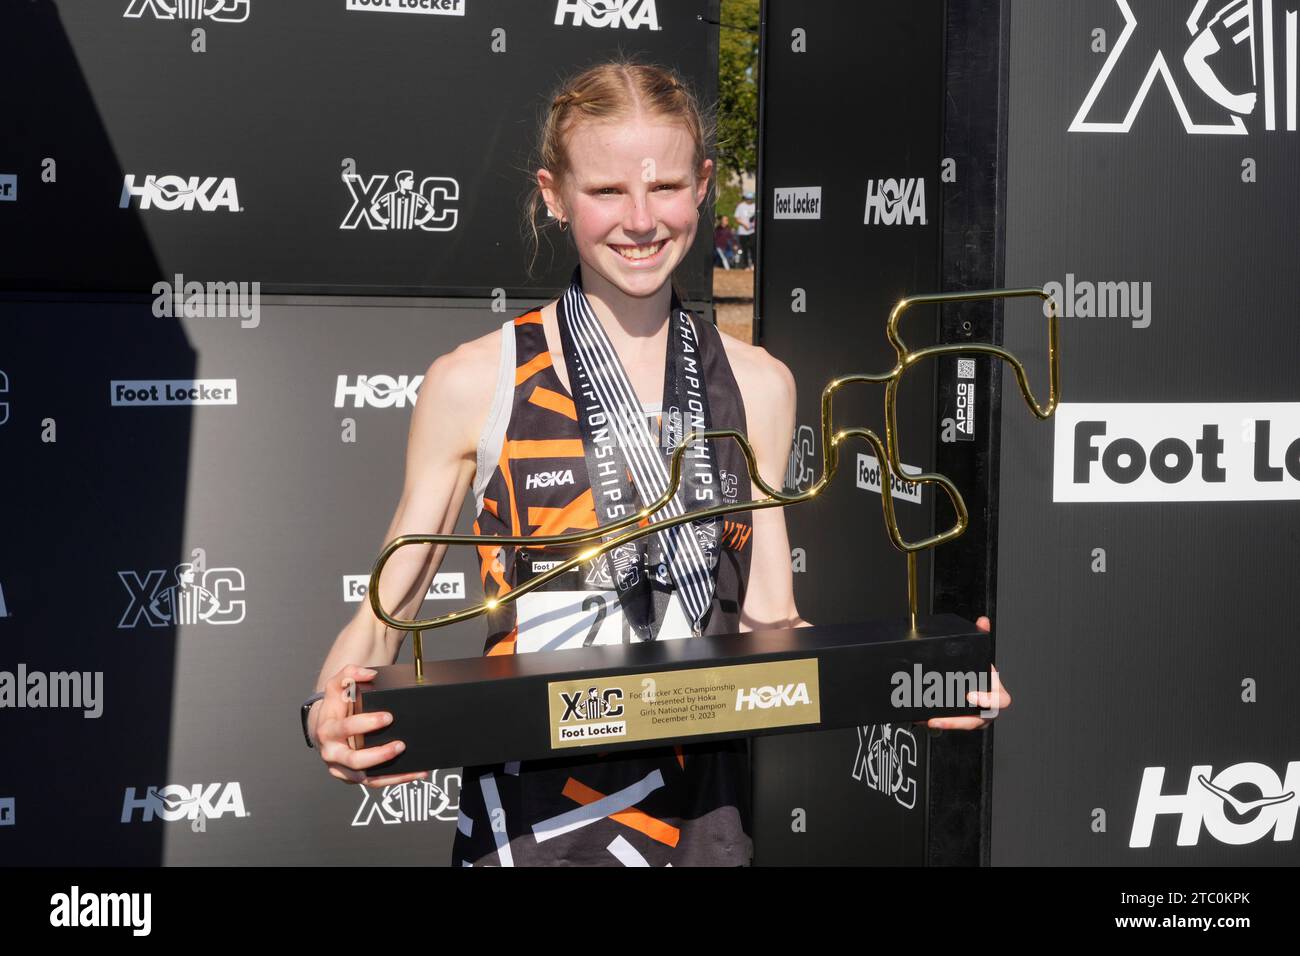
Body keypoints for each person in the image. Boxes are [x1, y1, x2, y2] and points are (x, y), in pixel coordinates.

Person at [304, 58, 1010, 867]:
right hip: (529, 829)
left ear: (705, 184)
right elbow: (386, 611)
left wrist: (914, 679)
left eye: (666, 186)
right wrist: (333, 713)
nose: (640, 220)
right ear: (552, 194)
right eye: (606, 191)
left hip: (700, 823)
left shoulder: (760, 385)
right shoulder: (474, 381)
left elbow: (771, 624)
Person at [733, 189, 756, 270]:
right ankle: (746, 265)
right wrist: (744, 224)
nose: (749, 200)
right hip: (743, 232)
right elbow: (736, 218)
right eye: (748, 199)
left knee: (753, 248)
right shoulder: (740, 206)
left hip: (752, 231)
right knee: (744, 249)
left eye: (751, 199)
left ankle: (753, 264)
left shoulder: (755, 206)